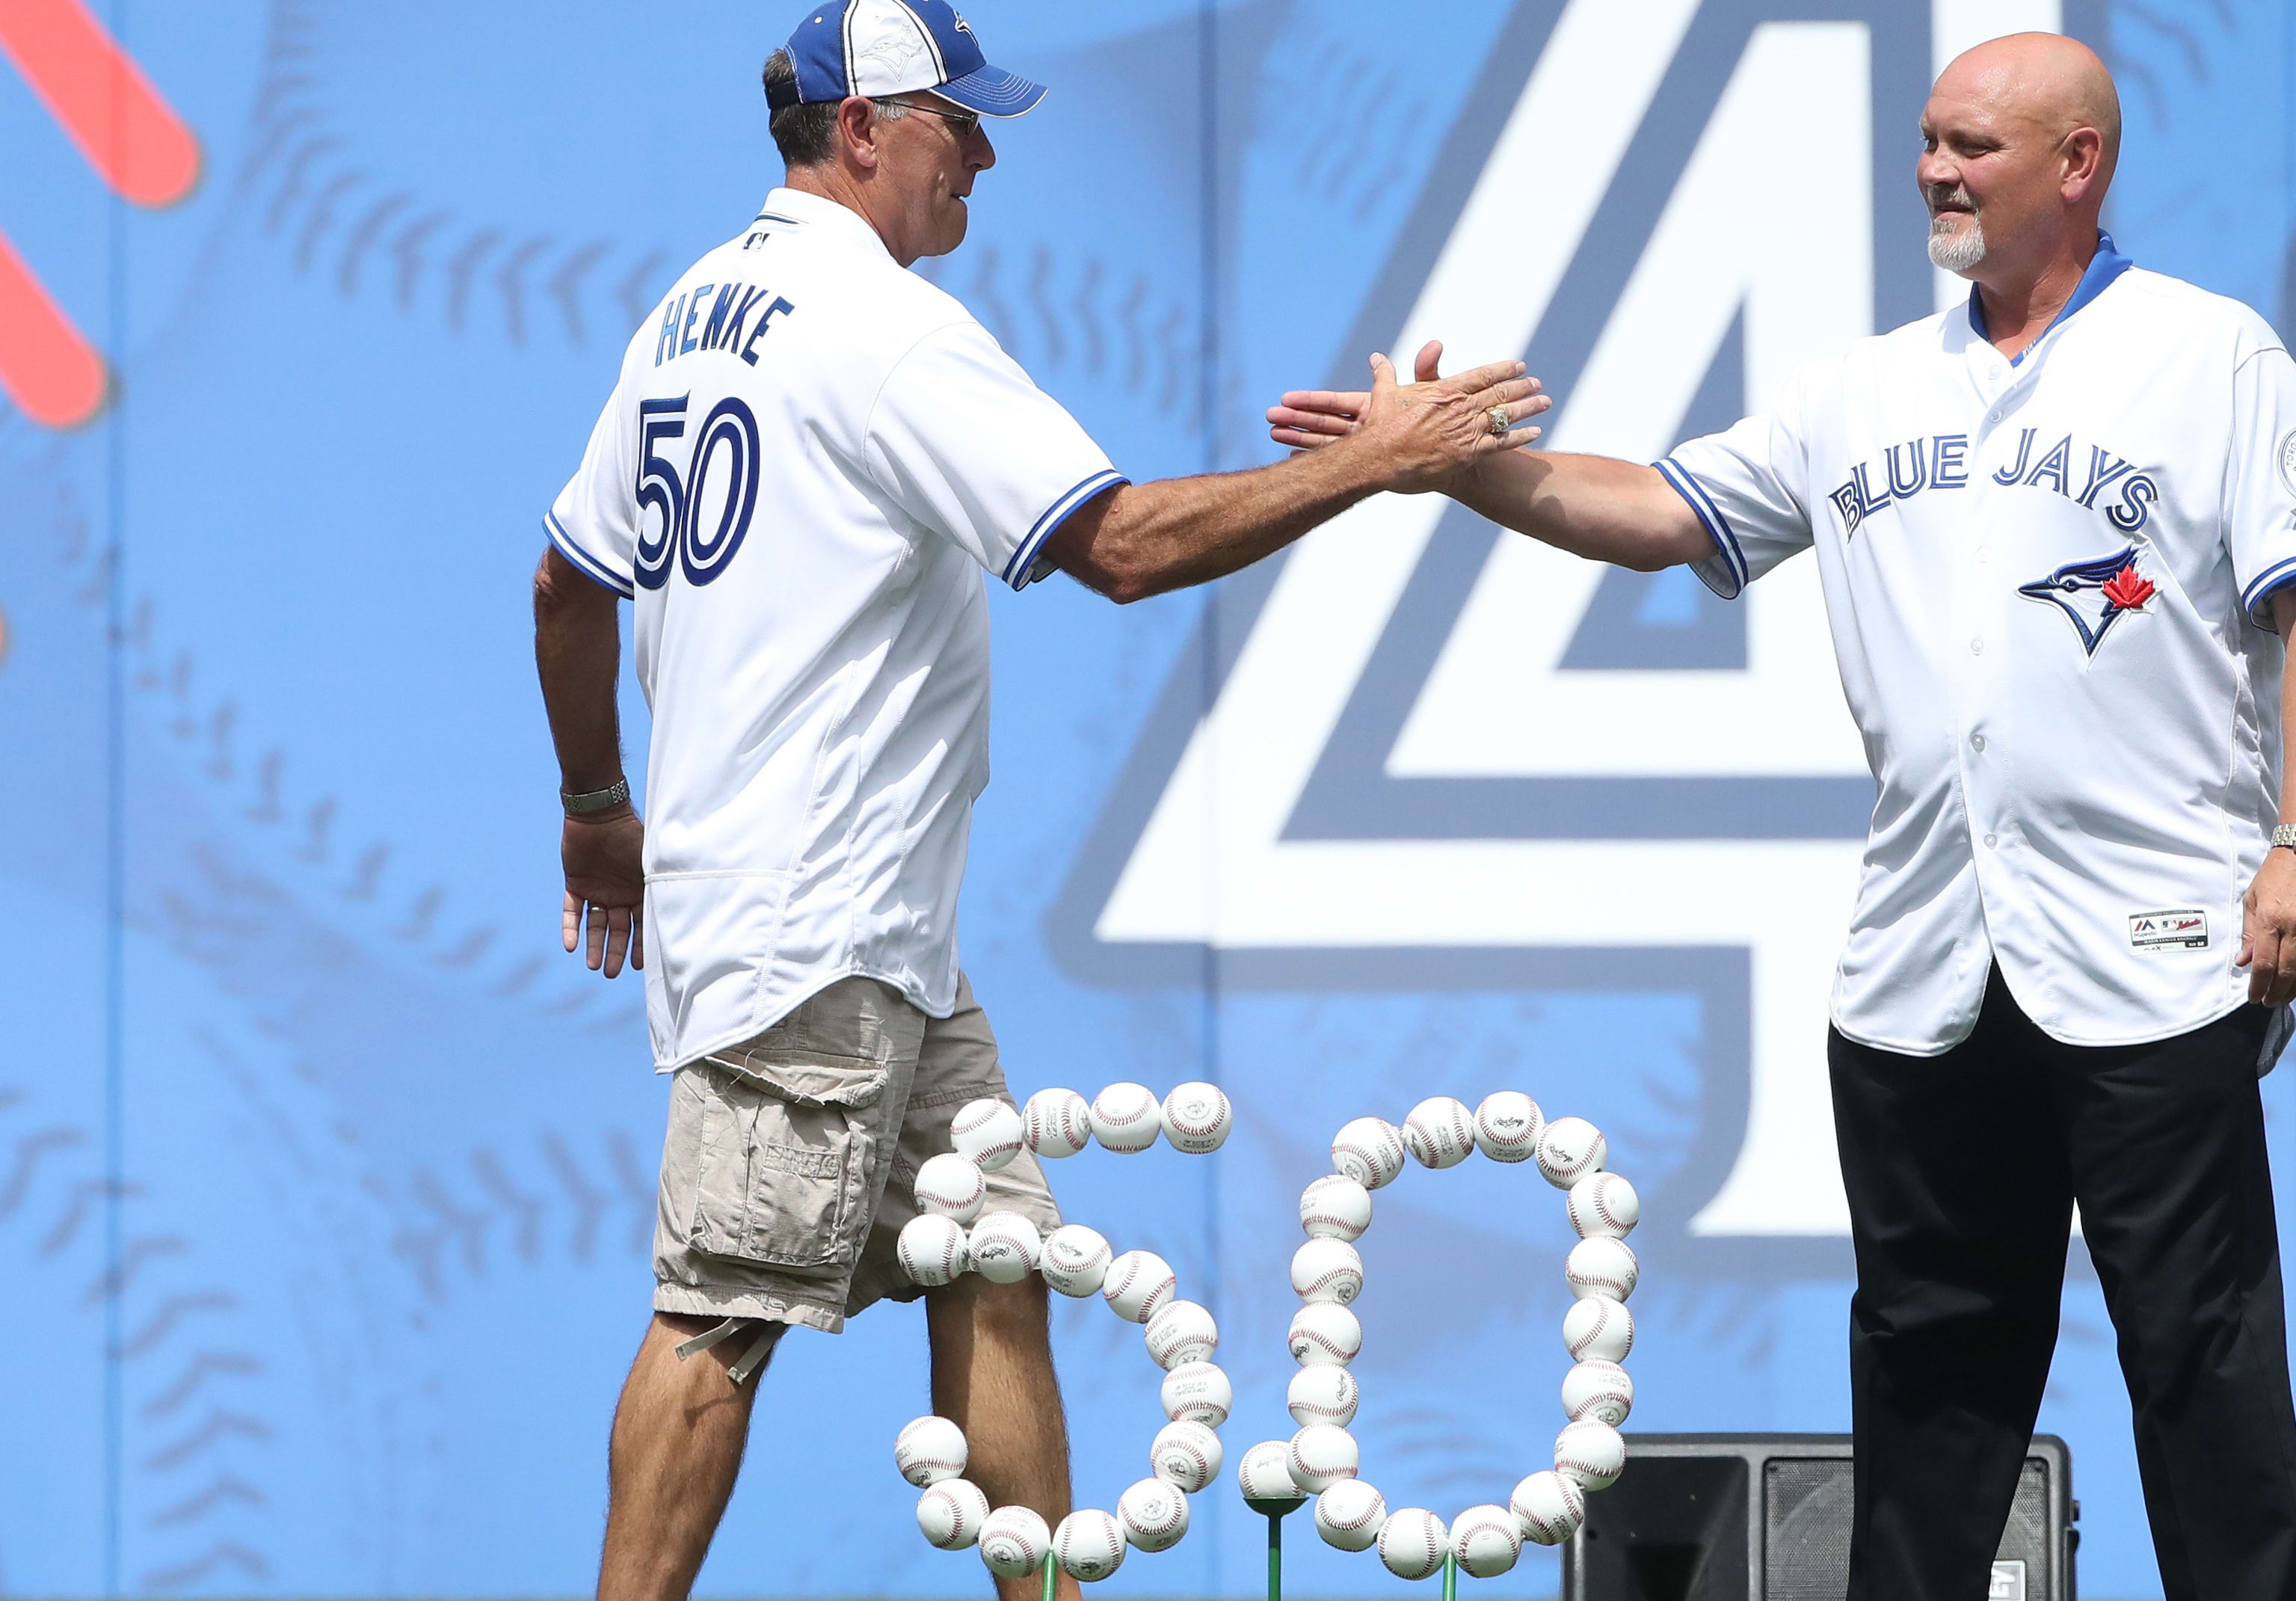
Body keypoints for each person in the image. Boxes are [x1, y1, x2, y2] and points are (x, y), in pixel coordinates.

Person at [1269, 31, 2296, 1601]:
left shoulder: (2210, 356)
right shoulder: (1860, 388)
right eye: (1927, 140)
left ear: (2079, 163)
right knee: (1928, 1373)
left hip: (2157, 947)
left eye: (1972, 146)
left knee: (2199, 1361)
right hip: (1924, 962)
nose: (1934, 171)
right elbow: (1659, 511)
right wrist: (1448, 465)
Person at [529, 4, 1546, 1597]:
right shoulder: (884, 327)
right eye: (960, 125)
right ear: (862, 130)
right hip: (811, 921)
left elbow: (564, 583)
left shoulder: (690, 313)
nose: (984, 160)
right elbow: (1121, 548)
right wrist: (1376, 462)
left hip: (868, 932)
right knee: (720, 1311)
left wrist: (597, 804)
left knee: (997, 1256)